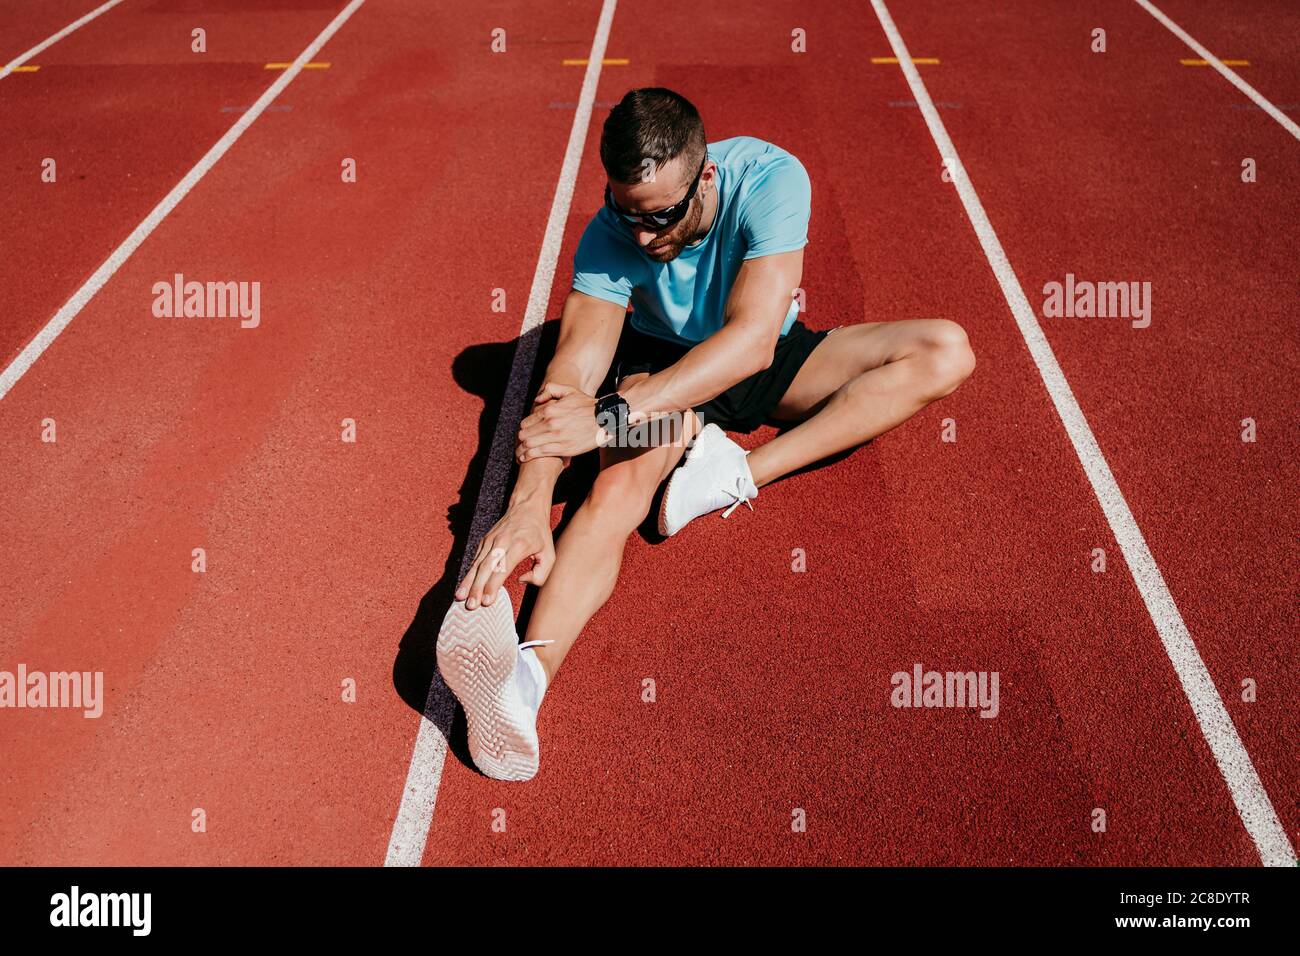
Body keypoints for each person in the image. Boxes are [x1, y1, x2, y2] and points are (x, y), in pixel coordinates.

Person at [437, 88, 975, 781]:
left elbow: (752, 341)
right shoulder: (610, 234)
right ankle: (524, 682)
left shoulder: (772, 177)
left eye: (659, 215)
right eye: (625, 213)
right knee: (617, 491)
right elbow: (570, 376)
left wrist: (614, 417)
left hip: (755, 351)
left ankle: (735, 473)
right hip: (659, 364)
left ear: (707, 176)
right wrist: (529, 501)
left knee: (945, 351)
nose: (640, 236)